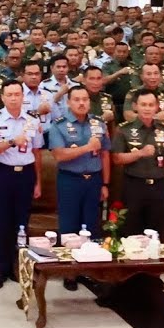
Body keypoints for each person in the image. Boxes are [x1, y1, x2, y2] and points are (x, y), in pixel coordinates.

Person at [0, 81, 44, 289]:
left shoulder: (32, 119)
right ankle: (0, 269)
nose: (14, 98)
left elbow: (37, 152)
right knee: (1, 222)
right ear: (3, 97)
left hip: (26, 174)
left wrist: (38, 182)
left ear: (23, 97)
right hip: (3, 174)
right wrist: (11, 142)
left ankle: (19, 267)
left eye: (17, 94)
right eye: (10, 94)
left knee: (22, 223)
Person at [47, 86, 110, 290]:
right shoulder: (59, 125)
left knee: (91, 226)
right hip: (70, 180)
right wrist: (87, 147)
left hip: (94, 180)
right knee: (69, 227)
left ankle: (90, 271)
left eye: (85, 99)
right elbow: (59, 155)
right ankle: (70, 273)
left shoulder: (98, 123)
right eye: (77, 99)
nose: (81, 103)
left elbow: (105, 154)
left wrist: (105, 183)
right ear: (68, 102)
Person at [112, 88, 164, 237]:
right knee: (131, 231)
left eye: (151, 105)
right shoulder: (124, 129)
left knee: (157, 233)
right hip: (134, 185)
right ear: (135, 106)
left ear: (157, 107)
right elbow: (116, 158)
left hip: (159, 186)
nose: (147, 108)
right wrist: (140, 153)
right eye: (143, 105)